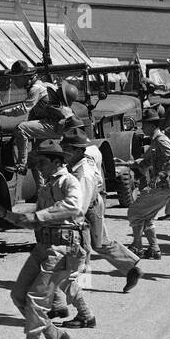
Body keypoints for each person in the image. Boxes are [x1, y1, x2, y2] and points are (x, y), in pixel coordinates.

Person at [2, 139, 85, 339]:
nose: (37, 166)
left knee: (36, 302)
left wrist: (38, 217)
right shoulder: (48, 185)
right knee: (18, 295)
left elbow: (74, 207)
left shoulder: (69, 181)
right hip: (44, 247)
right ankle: (54, 334)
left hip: (61, 250)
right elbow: (36, 220)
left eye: (42, 162)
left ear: (57, 161)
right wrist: (7, 215)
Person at [58, 125, 141, 328]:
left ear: (78, 150)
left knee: (88, 248)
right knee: (95, 245)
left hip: (89, 208)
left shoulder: (82, 173)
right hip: (94, 202)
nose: (64, 152)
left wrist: (70, 223)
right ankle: (128, 265)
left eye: (67, 148)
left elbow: (80, 205)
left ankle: (82, 298)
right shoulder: (87, 157)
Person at [127, 109, 170, 259]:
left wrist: (161, 174)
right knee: (147, 216)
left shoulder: (161, 140)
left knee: (135, 212)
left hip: (163, 185)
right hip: (163, 187)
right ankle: (154, 249)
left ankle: (137, 246)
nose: (142, 128)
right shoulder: (155, 140)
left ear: (151, 125)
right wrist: (126, 163)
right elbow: (146, 161)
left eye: (144, 125)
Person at [8, 60, 74, 172]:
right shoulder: (38, 86)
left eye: (16, 78)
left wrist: (2, 113)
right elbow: (35, 112)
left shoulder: (36, 88)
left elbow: (24, 109)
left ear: (25, 77)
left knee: (21, 128)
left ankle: (21, 165)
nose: (13, 81)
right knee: (37, 159)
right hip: (50, 124)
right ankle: (41, 188)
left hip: (56, 125)